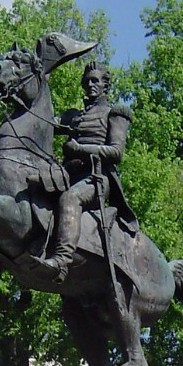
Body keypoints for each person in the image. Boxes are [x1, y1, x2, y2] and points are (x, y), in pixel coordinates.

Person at [34, 62, 139, 282]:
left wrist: (80, 150)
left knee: (70, 198)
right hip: (68, 175)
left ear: (105, 85)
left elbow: (116, 151)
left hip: (96, 179)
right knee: (31, 193)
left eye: (95, 80)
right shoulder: (74, 116)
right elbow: (43, 123)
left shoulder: (114, 113)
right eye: (87, 81)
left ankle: (62, 261)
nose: (90, 84)